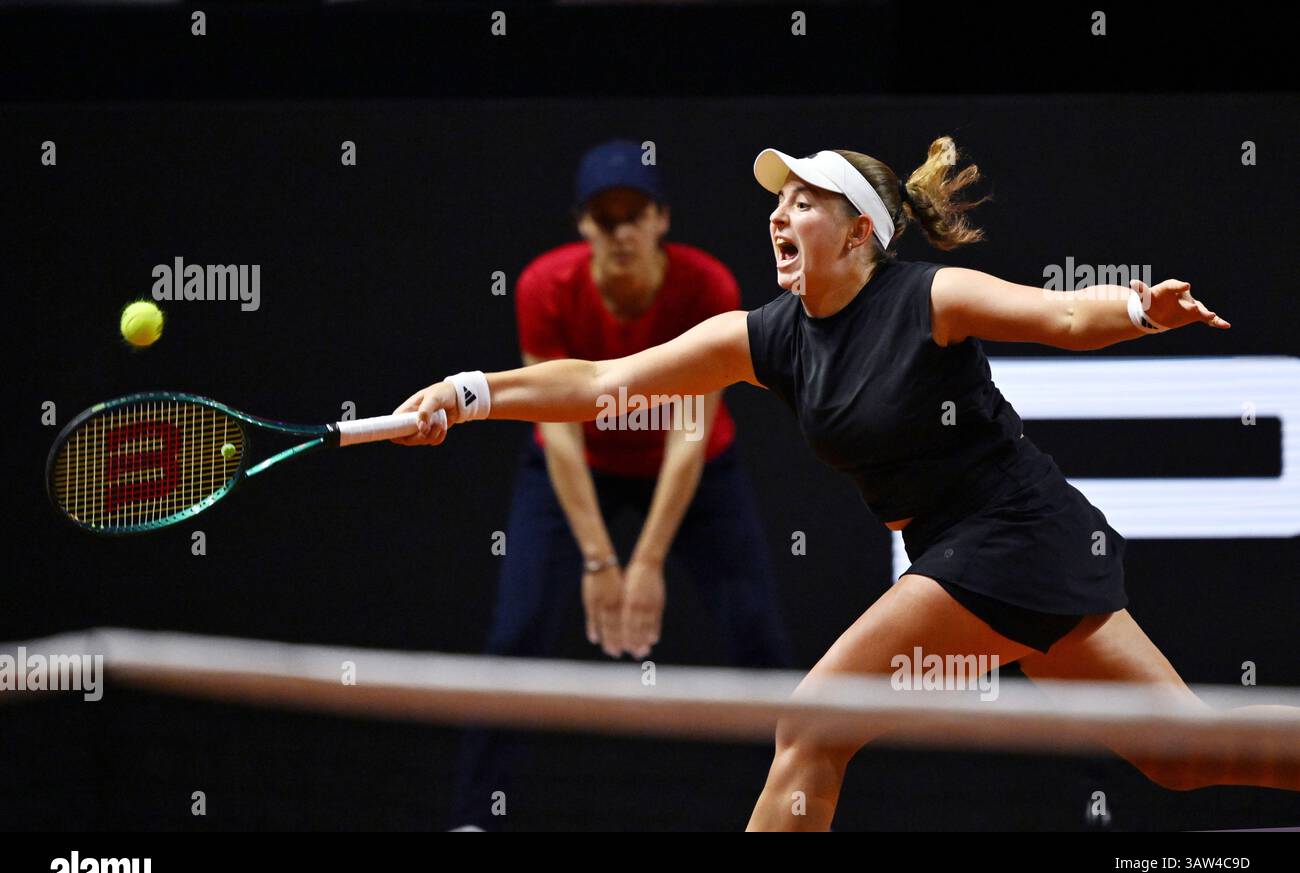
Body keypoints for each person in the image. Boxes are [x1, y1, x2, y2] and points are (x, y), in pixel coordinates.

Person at [397, 136, 1296, 832]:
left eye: (804, 203)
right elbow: (599, 383)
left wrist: (1141, 307)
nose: (780, 217)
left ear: (861, 229)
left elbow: (1060, 312)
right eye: (777, 204)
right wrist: (469, 394)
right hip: (979, 550)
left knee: (814, 722)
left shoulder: (928, 296)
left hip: (1012, 533)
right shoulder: (769, 334)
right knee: (1183, 752)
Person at [445, 139, 793, 830]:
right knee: (515, 637)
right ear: (584, 225)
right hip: (577, 466)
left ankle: (797, 809)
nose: (622, 230)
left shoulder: (708, 288)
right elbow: (562, 432)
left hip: (693, 470)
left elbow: (693, 429)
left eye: (636, 213)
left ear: (663, 218)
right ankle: (473, 817)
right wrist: (603, 560)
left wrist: (650, 560)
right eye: (606, 217)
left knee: (760, 641)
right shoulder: (546, 286)